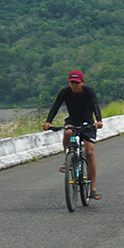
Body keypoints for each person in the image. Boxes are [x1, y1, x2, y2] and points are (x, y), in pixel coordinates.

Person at [43, 69, 104, 199]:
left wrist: (99, 120)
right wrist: (48, 122)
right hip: (73, 121)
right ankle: (68, 158)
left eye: (77, 83)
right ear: (69, 83)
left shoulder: (89, 91)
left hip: (88, 122)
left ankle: (93, 189)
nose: (74, 85)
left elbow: (95, 106)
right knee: (67, 132)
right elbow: (55, 106)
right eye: (72, 83)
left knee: (89, 153)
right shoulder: (65, 92)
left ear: (82, 82)